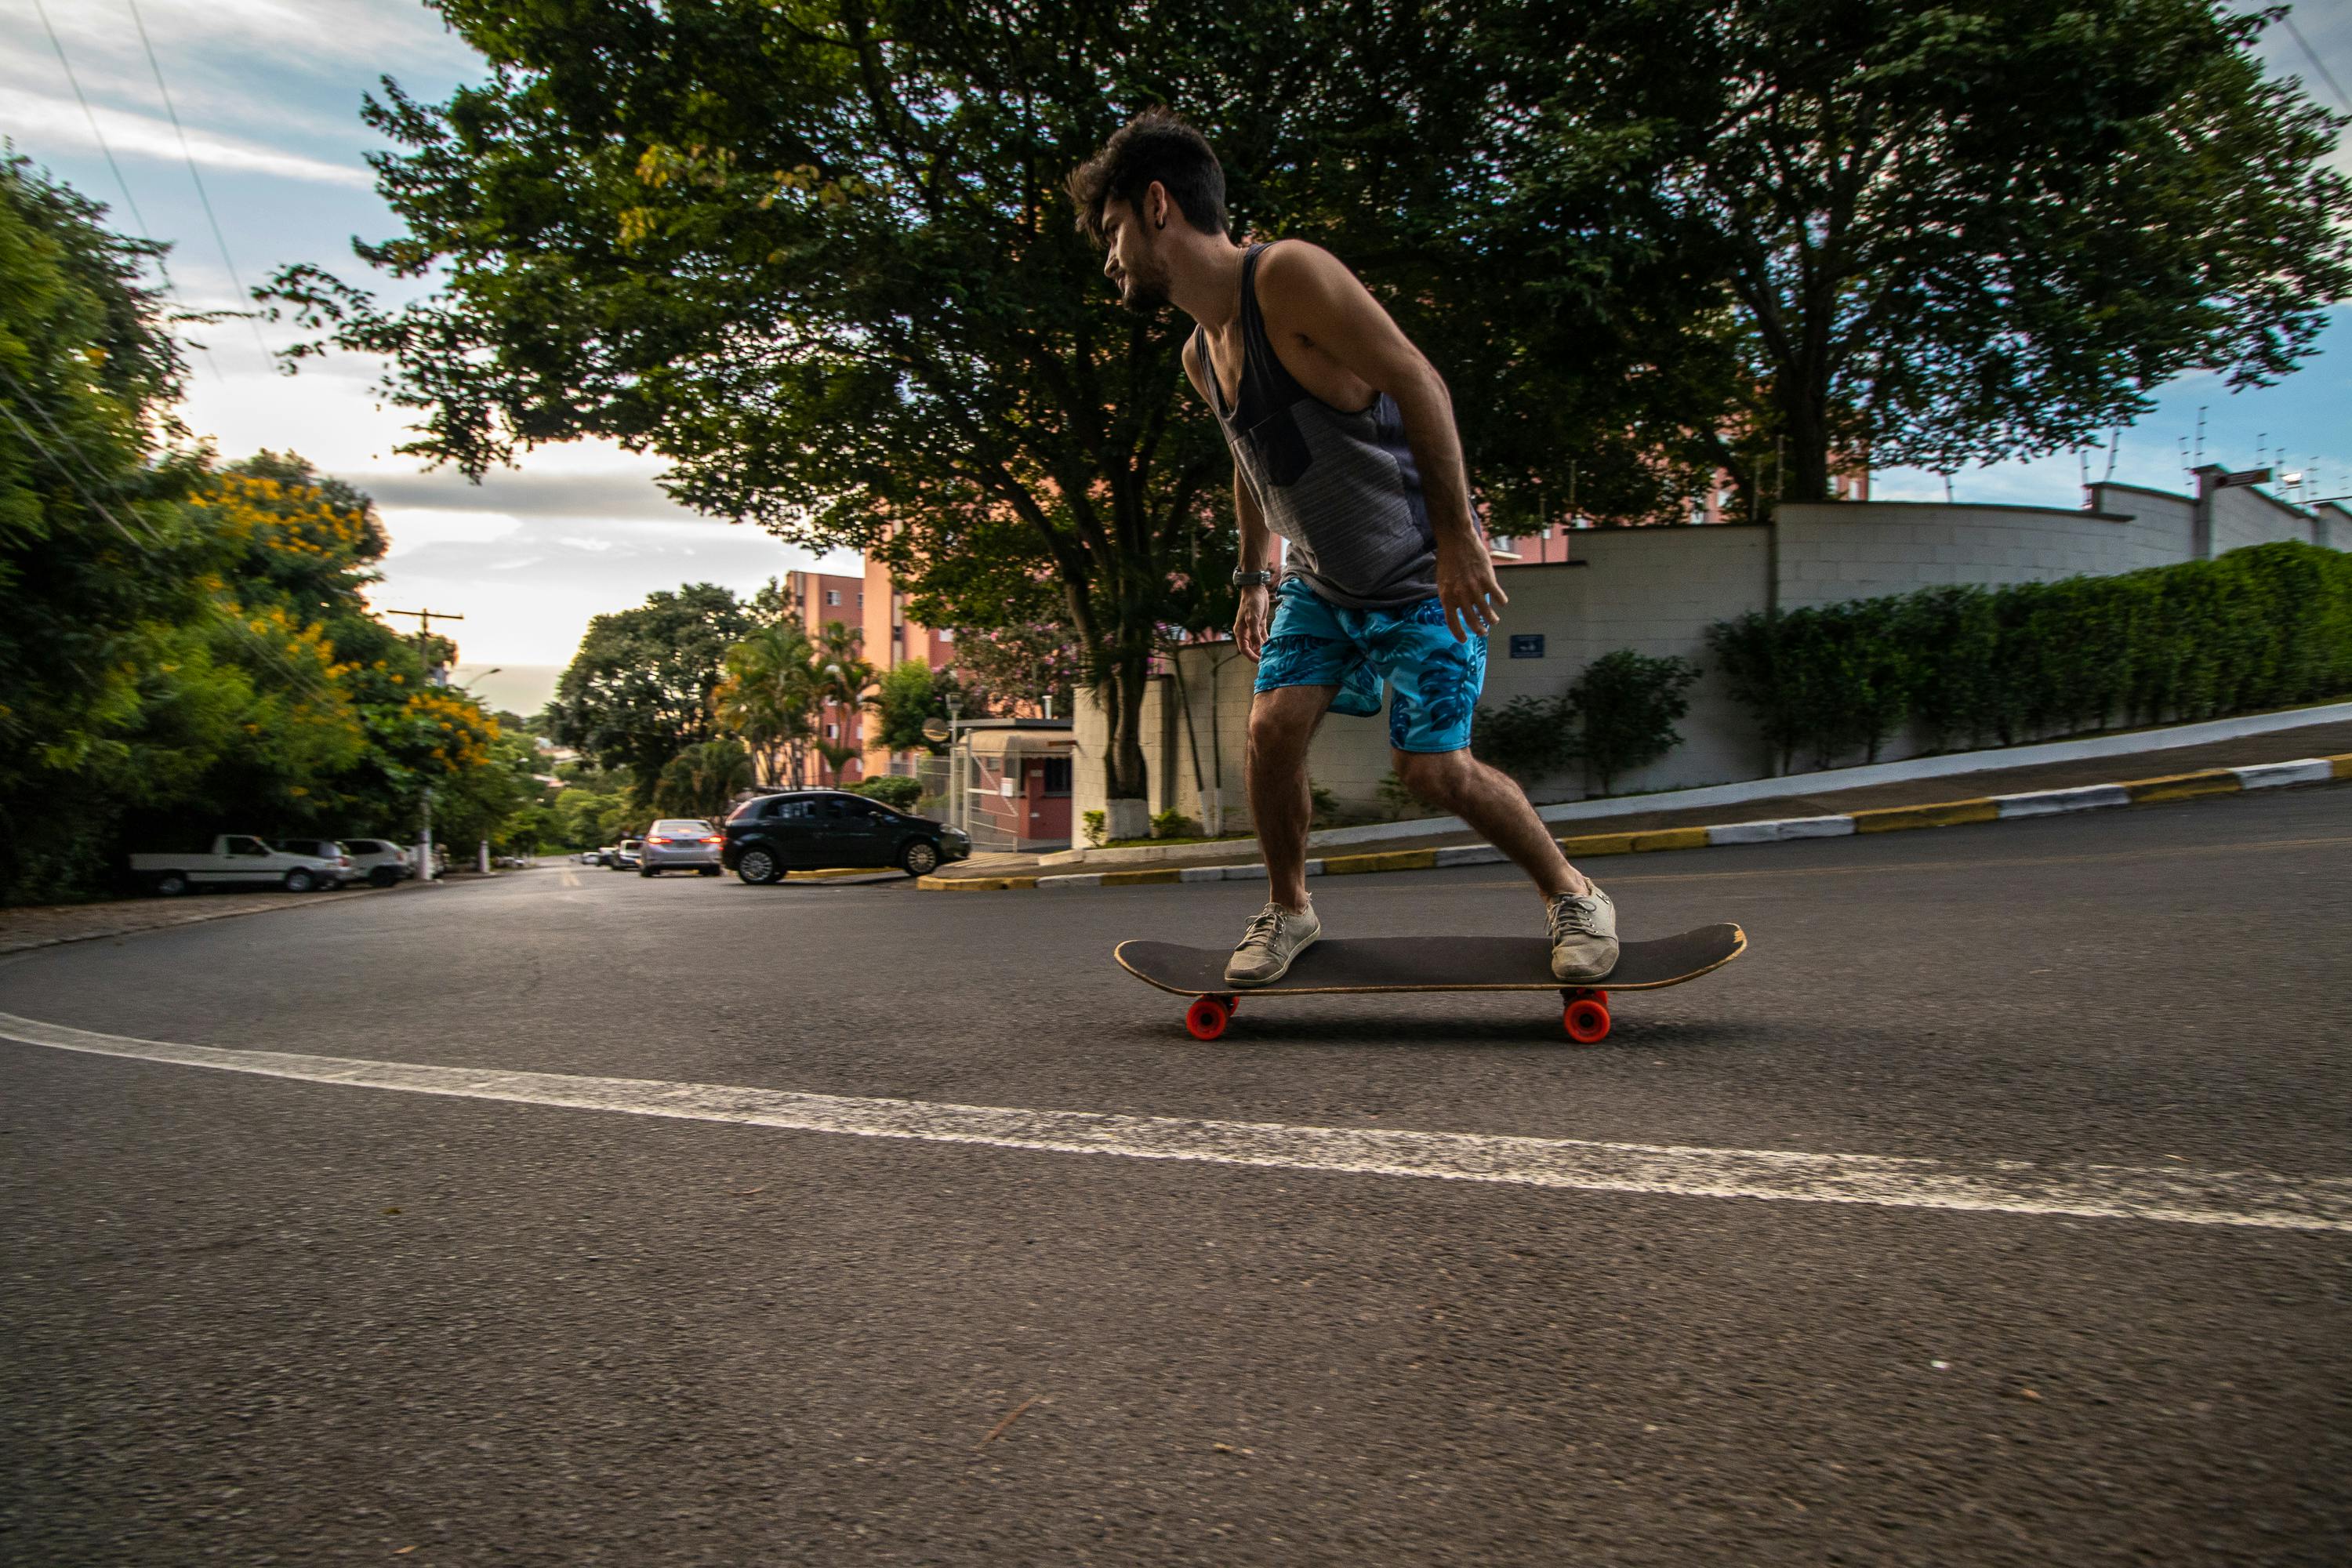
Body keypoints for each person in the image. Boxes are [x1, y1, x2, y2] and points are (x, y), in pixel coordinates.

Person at [1069, 109, 1617, 988]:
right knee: (1270, 732)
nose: (1110, 258)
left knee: (1433, 769)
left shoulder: (1288, 276)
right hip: (1321, 586)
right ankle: (1290, 910)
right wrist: (1257, 573)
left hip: (1417, 578)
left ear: (1159, 205)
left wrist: (1458, 539)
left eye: (1113, 231)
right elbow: (1251, 461)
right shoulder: (1201, 357)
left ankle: (1574, 892)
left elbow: (1419, 379)